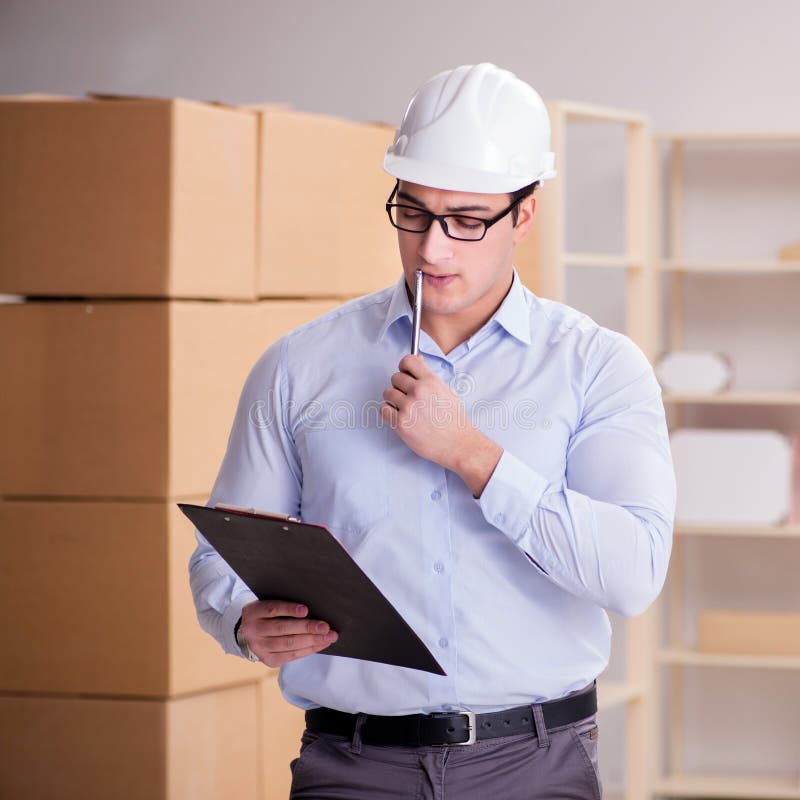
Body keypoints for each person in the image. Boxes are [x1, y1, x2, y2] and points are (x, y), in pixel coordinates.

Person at [189, 62, 676, 799]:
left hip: (535, 765)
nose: (433, 249)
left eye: (467, 220)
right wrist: (240, 622)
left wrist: (470, 453)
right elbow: (221, 556)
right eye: (413, 212)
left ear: (525, 215)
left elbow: (632, 574)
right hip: (351, 766)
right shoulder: (297, 366)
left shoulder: (599, 367)